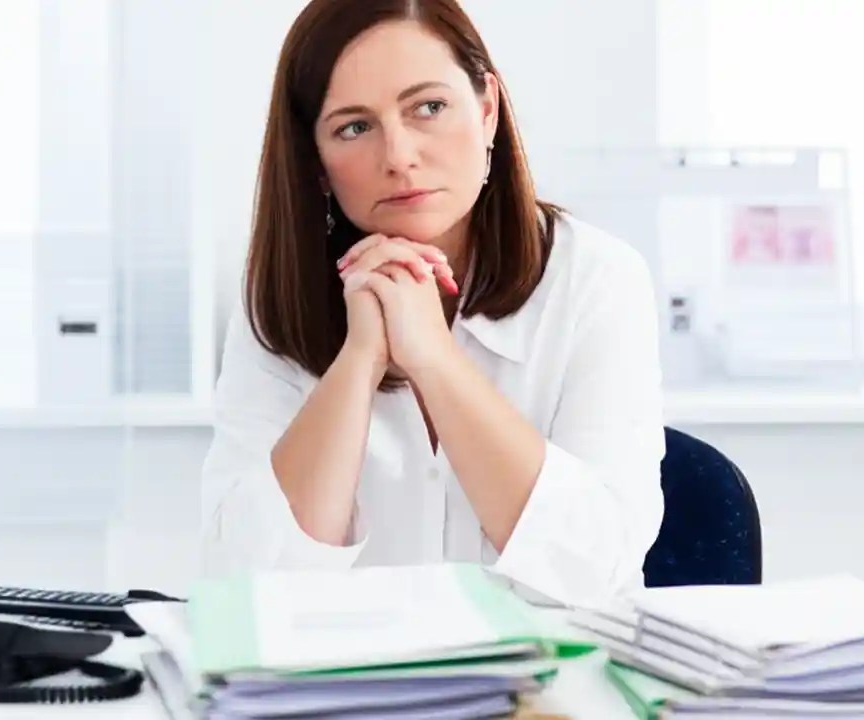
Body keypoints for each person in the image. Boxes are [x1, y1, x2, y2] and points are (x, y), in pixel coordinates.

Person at [199, 0, 665, 609]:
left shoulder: (597, 277)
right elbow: (244, 586)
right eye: (354, 127)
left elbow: (593, 568)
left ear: (488, 111)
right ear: (317, 164)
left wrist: (435, 360)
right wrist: (359, 361)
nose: (398, 155)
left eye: (429, 108)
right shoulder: (276, 298)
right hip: (354, 689)